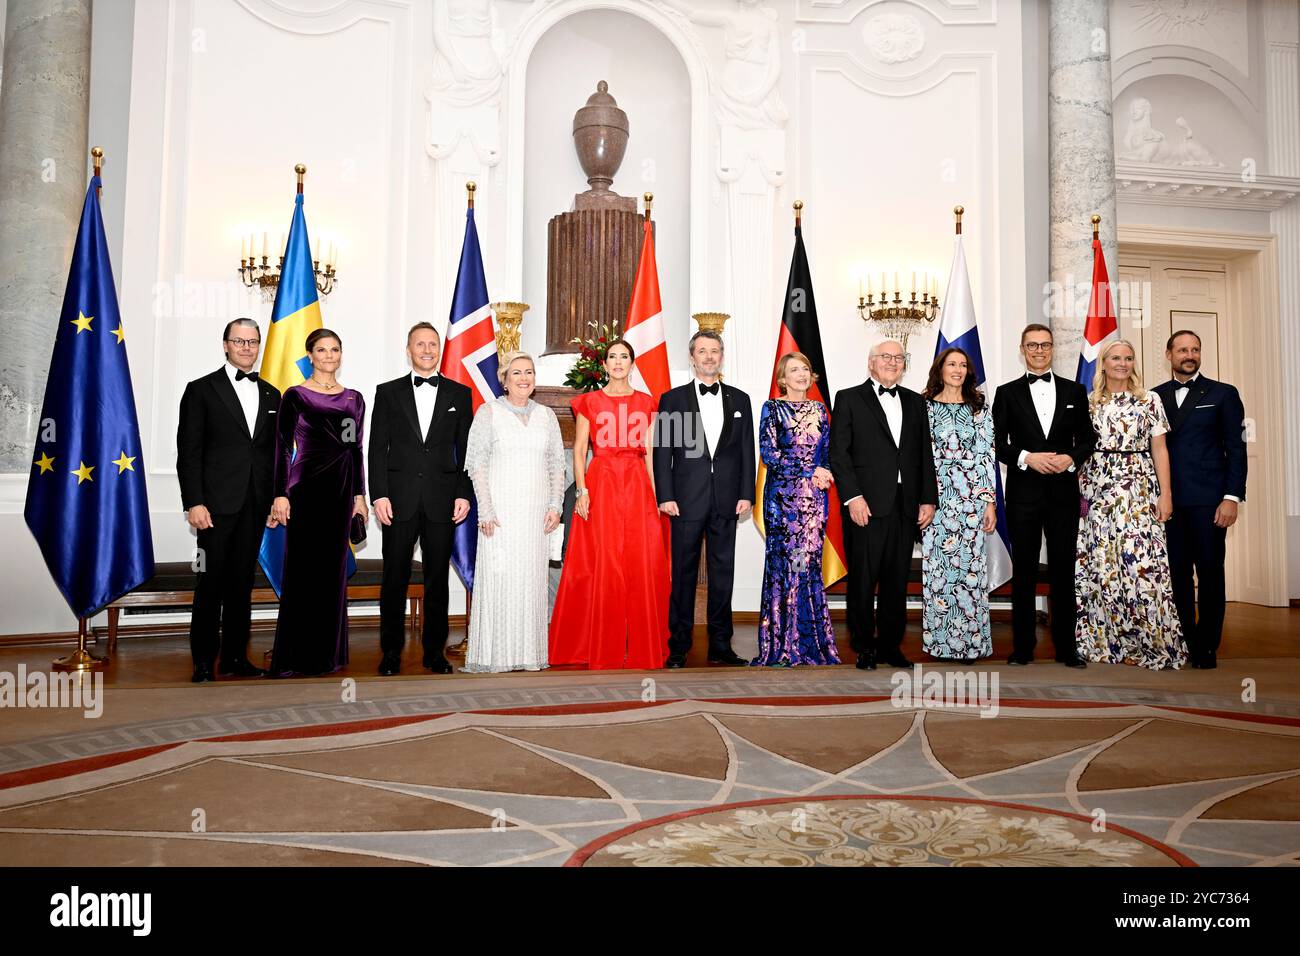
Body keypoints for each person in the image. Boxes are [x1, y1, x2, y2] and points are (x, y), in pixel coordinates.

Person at [550, 340, 670, 669]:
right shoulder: (590, 401)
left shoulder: (647, 403)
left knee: (638, 560)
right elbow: (578, 451)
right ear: (604, 365)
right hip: (601, 481)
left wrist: (657, 497)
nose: (618, 362)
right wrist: (582, 491)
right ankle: (600, 645)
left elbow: (650, 453)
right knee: (603, 561)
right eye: (612, 357)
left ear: (632, 363)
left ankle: (637, 646)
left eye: (624, 357)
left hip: (635, 484)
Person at [176, 318, 280, 683]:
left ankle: (236, 658)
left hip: (254, 505)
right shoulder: (201, 390)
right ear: (225, 345)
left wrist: (271, 502)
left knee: (241, 586)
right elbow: (188, 453)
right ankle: (203, 661)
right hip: (214, 507)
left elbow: (271, 455)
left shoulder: (271, 394)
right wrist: (194, 503)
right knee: (209, 583)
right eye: (239, 341)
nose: (247, 347)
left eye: (252, 342)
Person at [368, 323, 473, 676]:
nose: (427, 350)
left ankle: (434, 653)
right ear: (408, 348)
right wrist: (378, 494)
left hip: (443, 501)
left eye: (432, 344)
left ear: (439, 349)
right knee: (393, 578)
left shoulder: (460, 394)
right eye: (420, 344)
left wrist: (463, 494)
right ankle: (391, 653)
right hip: (397, 501)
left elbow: (468, 451)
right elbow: (376, 449)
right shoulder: (388, 392)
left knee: (437, 582)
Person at [1075, 340, 1186, 670]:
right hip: (1099, 492)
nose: (1122, 363)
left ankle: (1150, 642)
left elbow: (1160, 450)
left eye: (1128, 357)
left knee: (1143, 567)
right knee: (1104, 566)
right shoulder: (1089, 403)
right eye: (1115, 358)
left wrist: (1165, 494)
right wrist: (1080, 494)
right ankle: (1107, 640)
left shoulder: (1149, 400)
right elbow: (1079, 450)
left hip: (1139, 488)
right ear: (1103, 363)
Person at [828, 339, 938, 670]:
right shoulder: (848, 398)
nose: (892, 362)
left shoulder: (916, 402)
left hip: (906, 507)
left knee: (895, 581)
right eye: (886, 357)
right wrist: (852, 497)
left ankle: (891, 646)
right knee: (863, 579)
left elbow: (924, 456)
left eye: (898, 358)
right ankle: (864, 647)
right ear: (871, 362)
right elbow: (839, 454)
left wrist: (928, 499)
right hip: (865, 506)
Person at [992, 324, 1094, 668]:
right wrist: (1027, 458)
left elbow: (1087, 440)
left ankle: (1067, 649)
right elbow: (998, 444)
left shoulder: (1075, 391)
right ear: (1022, 349)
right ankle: (1023, 648)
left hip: (1064, 494)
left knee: (1064, 571)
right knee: (1024, 572)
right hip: (1023, 495)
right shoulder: (1006, 393)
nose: (1039, 350)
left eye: (1045, 345)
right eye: (1032, 345)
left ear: (1052, 349)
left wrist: (1070, 459)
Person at [267, 329, 367, 677]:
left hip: (340, 494)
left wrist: (359, 496)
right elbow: (281, 447)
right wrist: (279, 494)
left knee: (332, 574)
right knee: (302, 574)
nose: (329, 355)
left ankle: (327, 655)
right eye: (322, 350)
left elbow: (355, 450)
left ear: (341, 354)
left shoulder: (354, 399)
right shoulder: (294, 396)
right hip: (305, 489)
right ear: (310, 355)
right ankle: (296, 656)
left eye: (335, 349)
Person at [653, 330, 756, 668]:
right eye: (702, 351)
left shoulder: (740, 400)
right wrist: (665, 495)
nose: (709, 357)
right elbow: (662, 452)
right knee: (682, 575)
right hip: (684, 500)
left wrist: (746, 494)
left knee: (723, 573)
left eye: (714, 351)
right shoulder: (673, 399)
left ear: (722, 355)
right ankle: (679, 646)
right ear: (691, 357)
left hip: (728, 500)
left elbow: (745, 451)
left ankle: (721, 646)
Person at [463, 353, 564, 672]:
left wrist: (555, 505)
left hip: (536, 516)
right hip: (500, 515)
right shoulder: (487, 412)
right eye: (516, 372)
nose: (524, 378)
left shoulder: (547, 415)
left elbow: (556, 466)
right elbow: (476, 466)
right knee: (501, 578)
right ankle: (497, 655)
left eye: (529, 372)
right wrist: (486, 510)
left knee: (531, 582)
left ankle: (529, 654)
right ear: (504, 380)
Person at [1151, 330, 1247, 669]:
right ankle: (1184, 640)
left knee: (1208, 572)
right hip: (1169, 501)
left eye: (1195, 349)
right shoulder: (1153, 397)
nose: (1189, 355)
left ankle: (1207, 645)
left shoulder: (1223, 394)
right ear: (1169, 354)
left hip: (1210, 501)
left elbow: (1236, 449)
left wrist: (1232, 497)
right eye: (1182, 350)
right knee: (1175, 574)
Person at [751, 352, 839, 666]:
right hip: (782, 502)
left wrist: (825, 471)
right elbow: (769, 455)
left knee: (807, 566)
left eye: (805, 368)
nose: (801, 374)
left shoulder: (819, 410)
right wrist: (808, 471)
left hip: (814, 502)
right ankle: (779, 646)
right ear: (783, 378)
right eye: (793, 370)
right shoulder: (772, 408)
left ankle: (810, 644)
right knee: (783, 568)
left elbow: (826, 453)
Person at [921, 348, 997, 662]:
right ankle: (939, 644)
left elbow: (986, 456)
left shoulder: (979, 406)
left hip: (971, 501)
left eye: (963, 365)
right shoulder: (923, 406)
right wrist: (921, 498)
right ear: (939, 369)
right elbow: (919, 456)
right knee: (938, 570)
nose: (958, 369)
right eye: (951, 364)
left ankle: (972, 645)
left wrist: (989, 502)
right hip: (936, 499)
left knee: (970, 573)